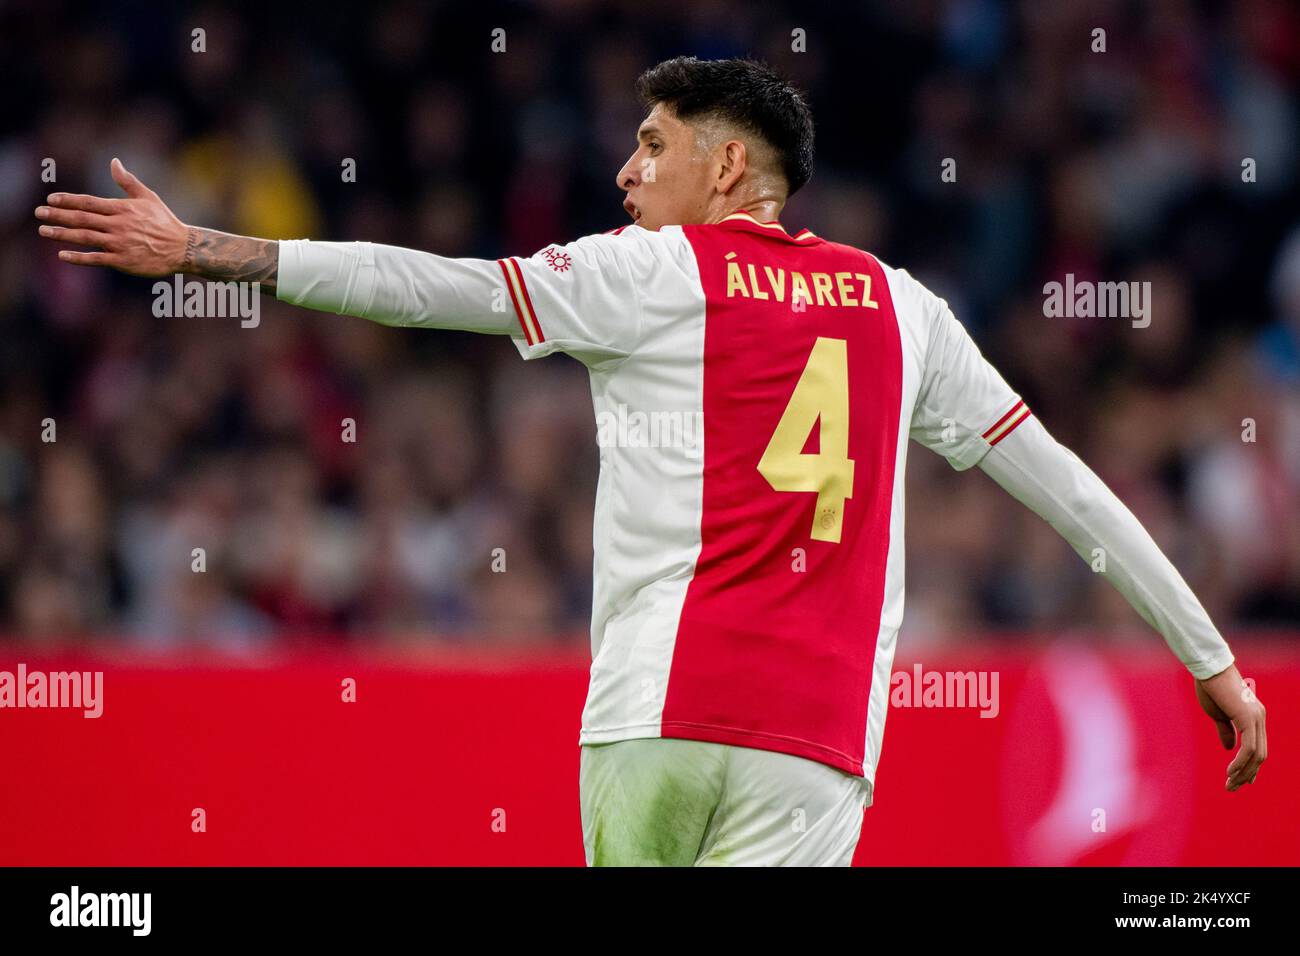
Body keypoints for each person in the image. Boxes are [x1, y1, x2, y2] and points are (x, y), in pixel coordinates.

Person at [34, 56, 1266, 866]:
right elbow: (1065, 486)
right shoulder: (905, 309)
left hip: (650, 718)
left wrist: (211, 250)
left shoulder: (655, 270)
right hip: (814, 742)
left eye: (651, 145)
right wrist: (1206, 651)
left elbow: (428, 287)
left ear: (727, 167)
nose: (625, 174)